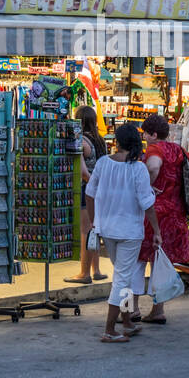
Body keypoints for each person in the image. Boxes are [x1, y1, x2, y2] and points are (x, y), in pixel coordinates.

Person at [84, 123, 162, 344]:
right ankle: (109, 328)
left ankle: (126, 320)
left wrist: (93, 221)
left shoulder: (103, 163)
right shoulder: (137, 169)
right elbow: (147, 203)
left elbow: (90, 193)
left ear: (117, 142)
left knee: (123, 275)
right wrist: (156, 230)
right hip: (129, 231)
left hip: (107, 228)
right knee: (122, 278)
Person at [134, 113, 189, 325]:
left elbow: (153, 166)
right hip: (175, 212)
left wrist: (146, 186)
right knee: (159, 260)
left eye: (146, 134)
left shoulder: (155, 149)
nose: (144, 138)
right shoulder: (179, 149)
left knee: (139, 258)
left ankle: (131, 309)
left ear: (154, 134)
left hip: (154, 212)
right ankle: (158, 310)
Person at [65, 105, 108, 285]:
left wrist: (92, 185)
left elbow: (83, 171)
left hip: (86, 189)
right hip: (100, 188)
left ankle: (84, 273)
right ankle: (96, 270)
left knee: (85, 231)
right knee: (94, 230)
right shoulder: (100, 140)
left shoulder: (82, 142)